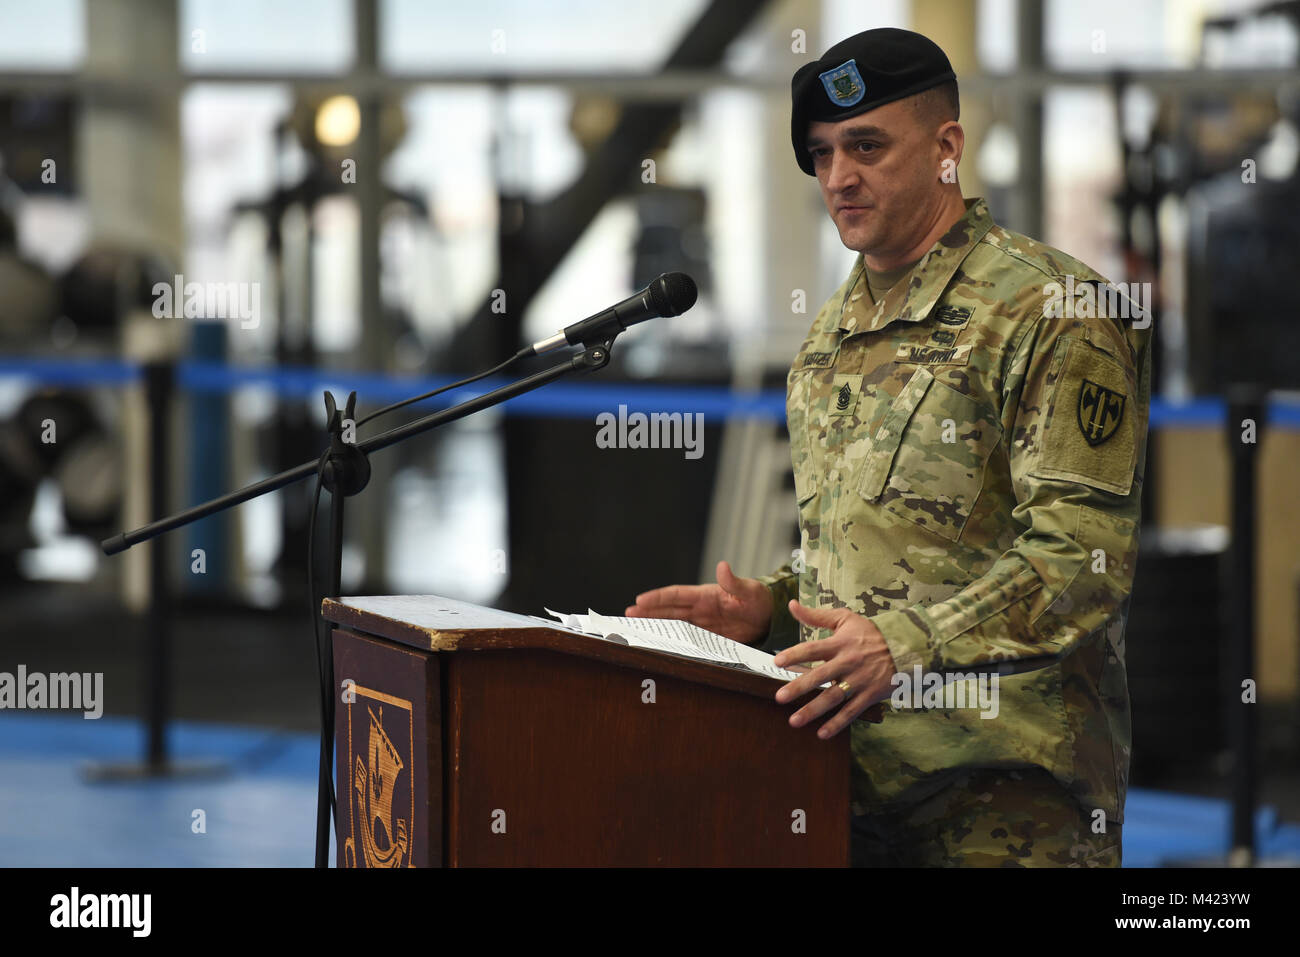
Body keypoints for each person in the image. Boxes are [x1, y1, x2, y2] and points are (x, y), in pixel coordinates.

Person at [626, 27, 1151, 867]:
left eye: (867, 146)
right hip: (844, 796)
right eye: (822, 153)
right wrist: (768, 605)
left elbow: (1084, 561)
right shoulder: (833, 333)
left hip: (1004, 814)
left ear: (947, 149)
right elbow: (887, 550)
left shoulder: (1053, 310)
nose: (839, 177)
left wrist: (904, 646)